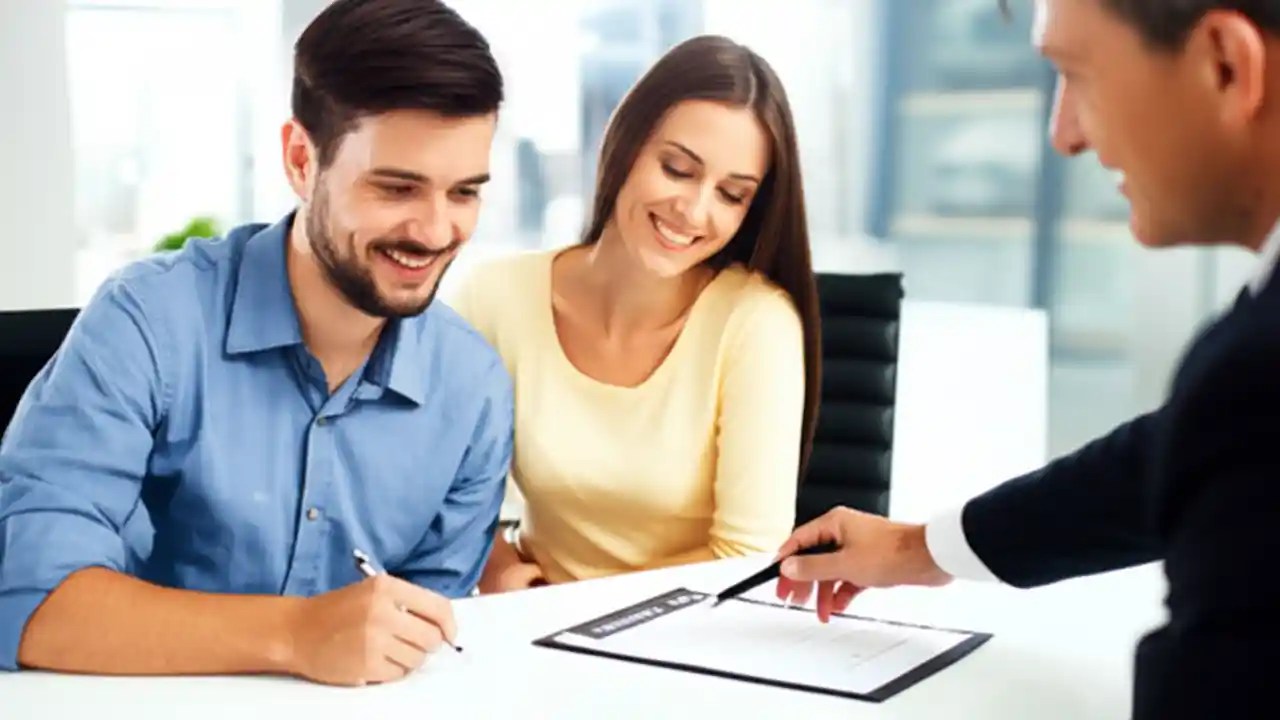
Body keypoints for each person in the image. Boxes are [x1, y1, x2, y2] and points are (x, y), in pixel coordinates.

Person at [774, 1, 1280, 717]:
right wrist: (922, 548)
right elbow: (1169, 454)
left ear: (1226, 66)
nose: (1063, 135)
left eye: (1076, 74)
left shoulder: (1256, 372)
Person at [0, 0, 512, 688]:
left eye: (464, 193)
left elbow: (424, 647)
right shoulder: (148, 321)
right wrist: (298, 635)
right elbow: (30, 603)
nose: (434, 229)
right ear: (302, 160)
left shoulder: (472, 388)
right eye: (397, 188)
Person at [449, 35, 821, 590]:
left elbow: (746, 555)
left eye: (732, 194)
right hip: (525, 627)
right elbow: (444, 491)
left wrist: (563, 611)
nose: (694, 210)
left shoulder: (755, 324)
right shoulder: (496, 295)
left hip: (686, 636)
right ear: (622, 143)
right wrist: (498, 568)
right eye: (677, 168)